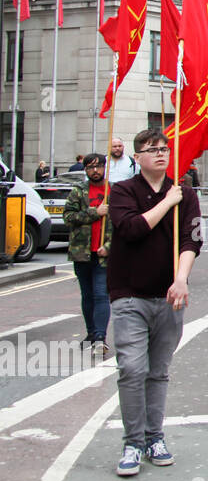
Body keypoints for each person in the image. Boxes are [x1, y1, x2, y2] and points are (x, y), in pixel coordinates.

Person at [107, 128, 203, 477]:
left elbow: (192, 240)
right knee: (132, 369)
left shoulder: (186, 194)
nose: (161, 154)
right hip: (129, 296)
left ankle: (154, 437)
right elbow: (132, 229)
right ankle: (132, 443)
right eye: (152, 150)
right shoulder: (122, 191)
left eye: (165, 148)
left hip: (168, 297)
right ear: (138, 157)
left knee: (158, 372)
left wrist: (181, 279)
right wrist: (167, 202)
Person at [63, 152, 112, 357]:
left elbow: (123, 222)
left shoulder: (114, 191)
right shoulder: (78, 191)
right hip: (81, 252)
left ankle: (100, 337)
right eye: (90, 167)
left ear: (104, 168)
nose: (95, 170)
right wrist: (94, 212)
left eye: (98, 166)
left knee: (102, 294)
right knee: (88, 296)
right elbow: (68, 217)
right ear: (85, 170)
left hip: (104, 253)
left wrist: (109, 246)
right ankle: (91, 333)